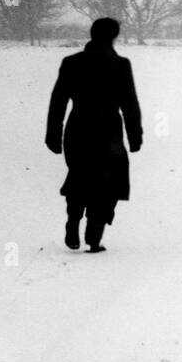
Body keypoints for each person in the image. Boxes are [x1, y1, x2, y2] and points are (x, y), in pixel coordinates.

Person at [45, 17, 142, 252]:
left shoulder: (72, 62)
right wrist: (135, 136)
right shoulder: (120, 65)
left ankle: (73, 223)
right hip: (108, 131)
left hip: (78, 128)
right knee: (108, 182)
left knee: (79, 175)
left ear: (91, 34)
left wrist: (53, 135)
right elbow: (130, 104)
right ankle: (93, 236)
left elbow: (58, 101)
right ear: (114, 36)